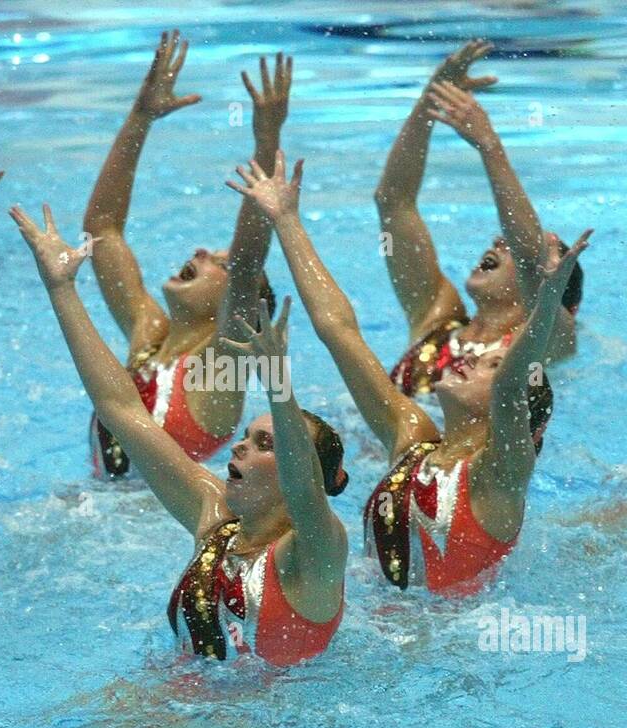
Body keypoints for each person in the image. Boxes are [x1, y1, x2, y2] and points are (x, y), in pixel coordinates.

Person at [230, 151, 589, 595]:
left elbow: (516, 384)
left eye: (494, 366)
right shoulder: (412, 438)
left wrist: (545, 306)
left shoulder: (500, 477)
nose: (475, 358)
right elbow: (339, 331)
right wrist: (286, 219)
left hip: (450, 651)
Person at [13, 202, 349, 666]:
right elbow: (120, 409)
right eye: (249, 436)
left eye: (266, 444)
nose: (240, 445)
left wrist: (277, 382)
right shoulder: (214, 520)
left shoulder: (315, 555)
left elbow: (305, 487)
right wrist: (62, 289)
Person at [82, 31, 290, 476]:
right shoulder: (148, 335)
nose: (201, 252)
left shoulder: (220, 370)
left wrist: (266, 139)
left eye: (220, 261)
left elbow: (250, 261)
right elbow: (101, 230)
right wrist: (140, 118)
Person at [375, 39, 583, 396]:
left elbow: (530, 259)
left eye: (546, 247)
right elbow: (393, 202)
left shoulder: (543, 343)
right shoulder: (435, 320)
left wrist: (490, 146)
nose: (499, 240)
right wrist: (430, 103)